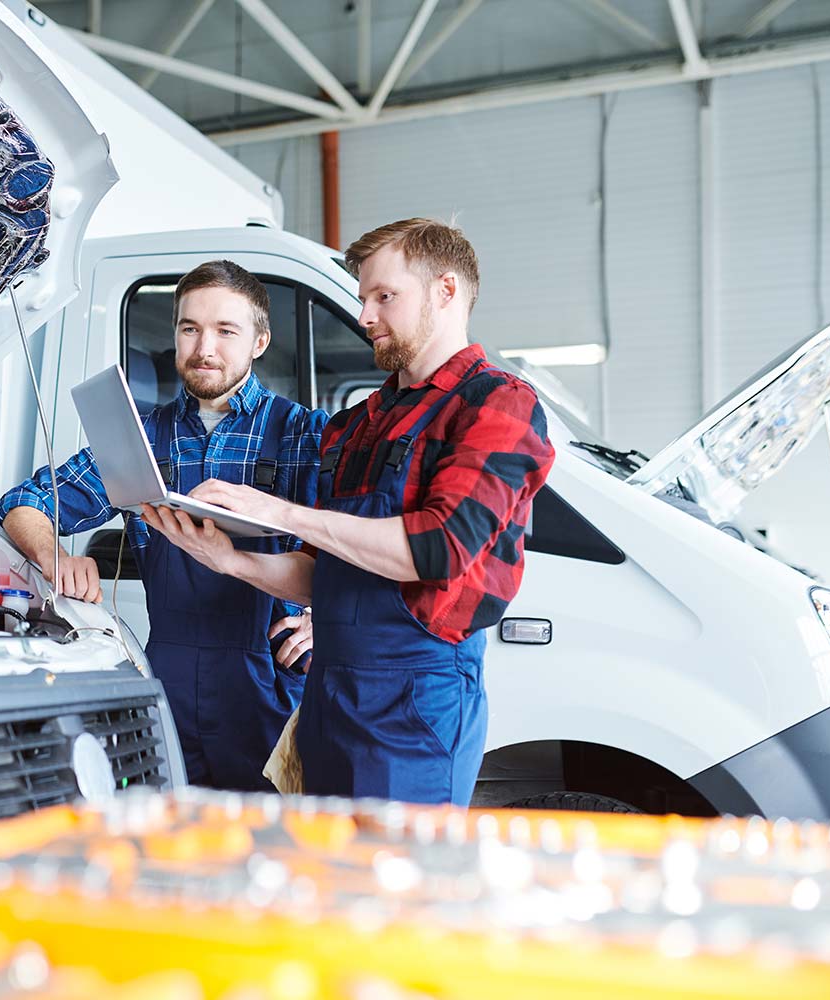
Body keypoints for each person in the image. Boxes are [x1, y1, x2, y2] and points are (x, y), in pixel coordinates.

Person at [141, 220, 555, 805]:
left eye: (384, 297)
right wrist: (229, 560)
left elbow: (437, 549)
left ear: (446, 291)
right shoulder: (360, 422)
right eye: (363, 298)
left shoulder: (494, 404)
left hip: (415, 701)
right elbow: (323, 574)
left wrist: (282, 514)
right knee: (326, 881)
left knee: (396, 885)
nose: (365, 316)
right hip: (328, 696)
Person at [0, 260, 327, 791]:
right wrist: (54, 556)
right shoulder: (141, 438)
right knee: (165, 836)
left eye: (226, 331)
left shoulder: (304, 436)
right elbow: (24, 503)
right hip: (166, 678)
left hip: (268, 682)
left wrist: (332, 614)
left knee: (267, 843)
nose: (204, 349)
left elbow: (368, 542)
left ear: (259, 341)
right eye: (190, 329)